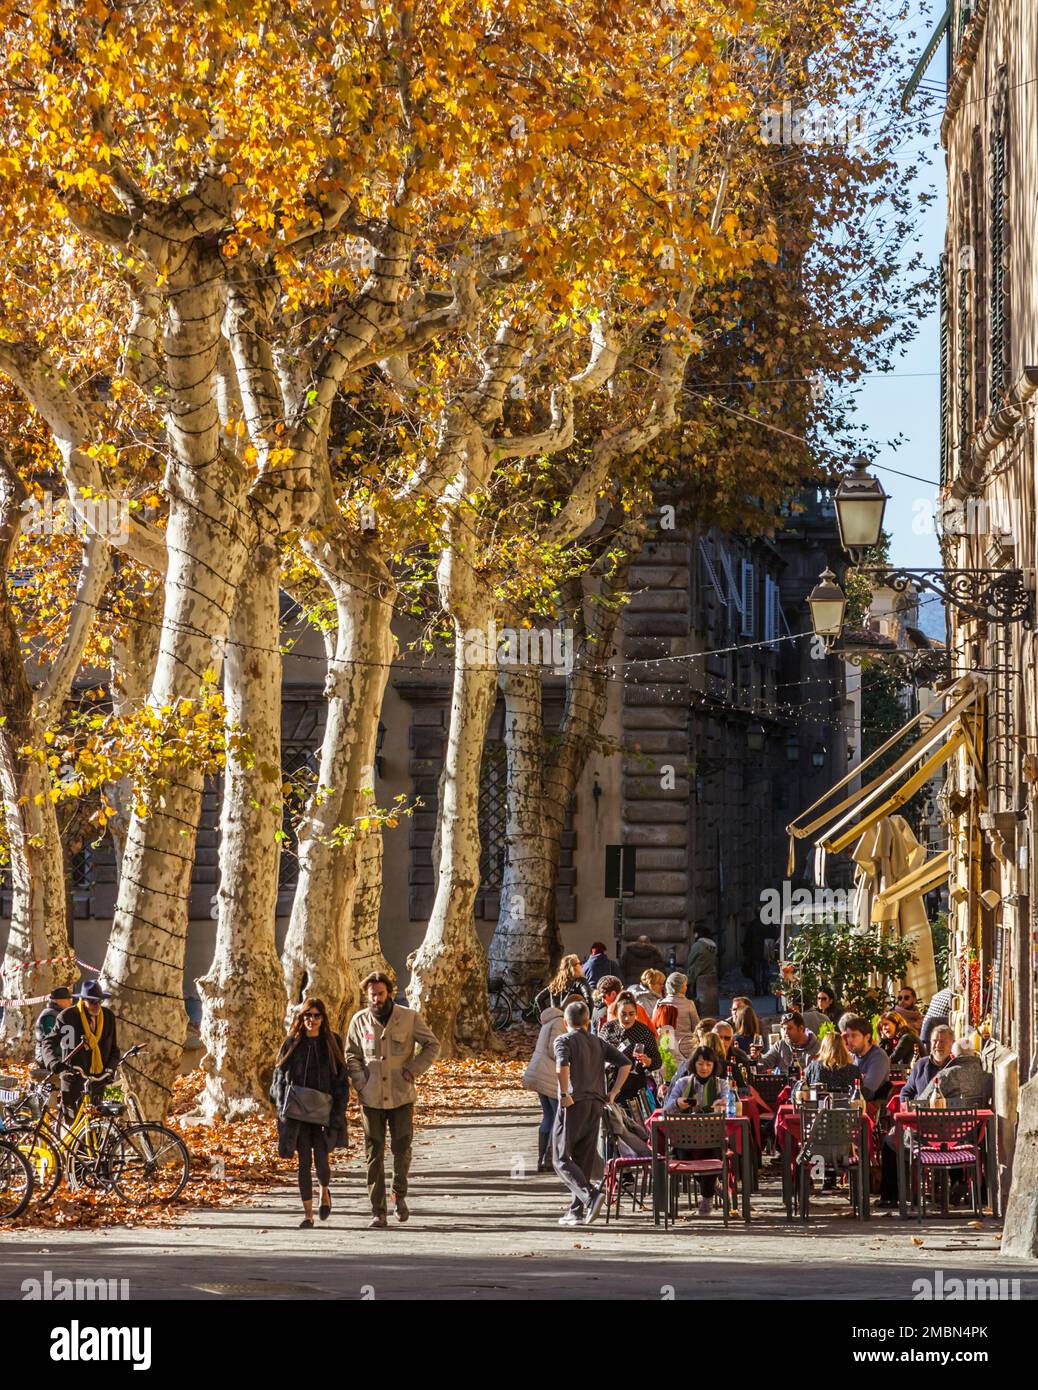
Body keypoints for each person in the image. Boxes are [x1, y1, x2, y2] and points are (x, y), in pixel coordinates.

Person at [346, 971, 440, 1228]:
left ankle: (398, 1195)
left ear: (389, 993)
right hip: (371, 1096)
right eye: (372, 995)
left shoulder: (408, 1018)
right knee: (373, 1152)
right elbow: (351, 1054)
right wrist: (360, 1082)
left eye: (380, 994)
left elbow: (432, 1045)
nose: (376, 999)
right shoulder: (359, 1021)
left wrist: (413, 1069)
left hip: (401, 1095)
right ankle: (378, 1210)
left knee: (401, 1148)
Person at [552, 1000, 632, 1226]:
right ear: (587, 1021)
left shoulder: (563, 1040)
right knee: (583, 1158)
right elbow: (625, 1064)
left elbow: (562, 1066)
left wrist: (565, 1093)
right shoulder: (597, 1042)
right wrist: (613, 1092)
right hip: (596, 1102)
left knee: (560, 1158)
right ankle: (575, 1211)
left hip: (573, 1103)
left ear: (565, 1021)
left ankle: (590, 1196)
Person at [271, 999, 349, 1228]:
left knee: (322, 1163)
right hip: (297, 1114)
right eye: (307, 1016)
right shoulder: (292, 1043)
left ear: (323, 1018)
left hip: (323, 1114)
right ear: (301, 1018)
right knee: (303, 1163)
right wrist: (280, 1103)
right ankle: (308, 1214)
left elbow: (341, 1080)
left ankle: (324, 1191)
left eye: (316, 1016)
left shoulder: (332, 1042)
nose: (311, 1020)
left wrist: (337, 1112)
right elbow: (279, 1077)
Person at [879, 1026, 955, 1207]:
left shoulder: (957, 1067)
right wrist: (907, 1106)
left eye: (943, 1041)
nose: (938, 1045)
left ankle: (954, 1190)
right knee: (890, 1141)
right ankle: (893, 1196)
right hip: (919, 1128)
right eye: (935, 1041)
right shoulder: (921, 1065)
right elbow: (906, 1091)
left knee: (962, 1139)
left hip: (949, 1130)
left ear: (952, 1043)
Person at [662, 1045, 729, 1216]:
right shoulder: (682, 1083)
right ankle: (713, 1185)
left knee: (712, 1154)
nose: (704, 1068)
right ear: (693, 1065)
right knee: (685, 1157)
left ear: (714, 1065)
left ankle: (707, 1198)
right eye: (700, 1064)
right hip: (685, 1140)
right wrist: (678, 1103)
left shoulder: (721, 1085)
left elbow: (730, 1110)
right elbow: (665, 1110)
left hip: (712, 1139)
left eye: (708, 1064)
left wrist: (721, 1106)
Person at [40, 980, 119, 1121]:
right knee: (73, 1126)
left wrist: (110, 1070)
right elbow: (48, 1042)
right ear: (82, 1000)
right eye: (92, 1002)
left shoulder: (108, 1017)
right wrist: (53, 1062)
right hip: (73, 1079)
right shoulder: (67, 1016)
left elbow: (114, 1049)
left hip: (97, 1080)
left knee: (95, 1127)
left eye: (99, 1001)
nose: (97, 1005)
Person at [522, 992, 584, 1171]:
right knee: (556, 1116)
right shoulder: (558, 1022)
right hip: (549, 1075)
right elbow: (554, 1050)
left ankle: (543, 1158)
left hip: (540, 1073)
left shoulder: (551, 1019)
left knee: (549, 1116)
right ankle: (548, 1158)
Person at [601, 993, 662, 1107]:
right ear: (616, 1013)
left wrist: (647, 1061)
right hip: (609, 1084)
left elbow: (657, 1061)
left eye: (631, 1014)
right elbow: (598, 1054)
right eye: (623, 1014)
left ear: (636, 1014)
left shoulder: (644, 1032)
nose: (627, 1018)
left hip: (633, 1087)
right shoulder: (607, 1028)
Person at [916, 1038, 991, 1107]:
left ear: (952, 1057)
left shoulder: (945, 1075)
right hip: (977, 1121)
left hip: (946, 1121)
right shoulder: (987, 1077)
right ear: (974, 1054)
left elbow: (921, 1103)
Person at [840, 1012, 891, 1101]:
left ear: (867, 1037)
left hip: (872, 1108)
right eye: (848, 1036)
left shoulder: (878, 1057)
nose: (850, 1040)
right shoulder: (852, 1055)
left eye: (854, 1035)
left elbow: (868, 1091)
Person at [754, 1011, 820, 1072]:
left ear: (801, 1028)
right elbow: (763, 1065)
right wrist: (757, 1057)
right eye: (784, 1028)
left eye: (789, 1028)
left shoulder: (818, 1048)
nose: (785, 1032)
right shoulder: (780, 1045)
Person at [659, 972, 700, 1051]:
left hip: (667, 1047)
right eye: (685, 985)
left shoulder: (660, 1004)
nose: (686, 987)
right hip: (686, 1047)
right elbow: (696, 1027)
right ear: (681, 988)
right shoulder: (689, 1004)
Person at [34, 985, 73, 1067]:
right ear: (56, 1000)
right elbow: (51, 1042)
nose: (70, 1002)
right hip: (47, 1057)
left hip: (60, 1055)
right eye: (67, 999)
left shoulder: (63, 1014)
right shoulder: (49, 1016)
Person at [710, 1022, 754, 1091]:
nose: (722, 1041)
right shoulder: (705, 1055)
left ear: (732, 1040)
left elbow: (747, 1085)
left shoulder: (740, 1056)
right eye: (719, 1037)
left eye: (727, 1038)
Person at [687, 928, 719, 1017]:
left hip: (695, 974)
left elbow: (690, 960)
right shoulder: (713, 946)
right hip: (709, 974)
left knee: (692, 995)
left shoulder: (698, 945)